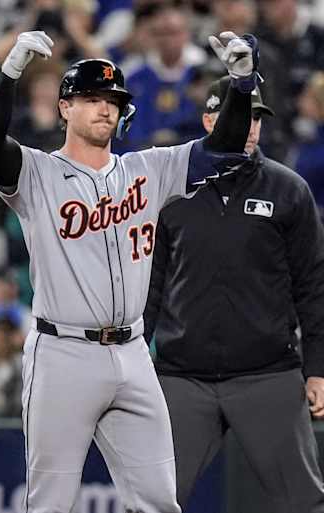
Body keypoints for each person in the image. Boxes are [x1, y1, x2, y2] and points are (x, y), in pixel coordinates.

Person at [0, 29, 259, 513]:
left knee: (158, 503)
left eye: (112, 99)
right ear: (64, 107)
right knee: (50, 504)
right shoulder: (36, 173)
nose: (104, 107)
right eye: (90, 98)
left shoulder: (147, 169)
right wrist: (10, 73)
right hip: (63, 353)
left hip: (131, 353)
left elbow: (223, 146)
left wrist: (242, 82)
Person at [144, 76, 324, 513]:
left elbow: (313, 286)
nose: (249, 127)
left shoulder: (289, 190)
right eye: (238, 117)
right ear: (209, 120)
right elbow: (148, 288)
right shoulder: (172, 191)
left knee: (304, 503)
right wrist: (129, 366)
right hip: (181, 375)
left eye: (256, 118)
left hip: (268, 373)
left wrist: (318, 369)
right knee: (150, 500)